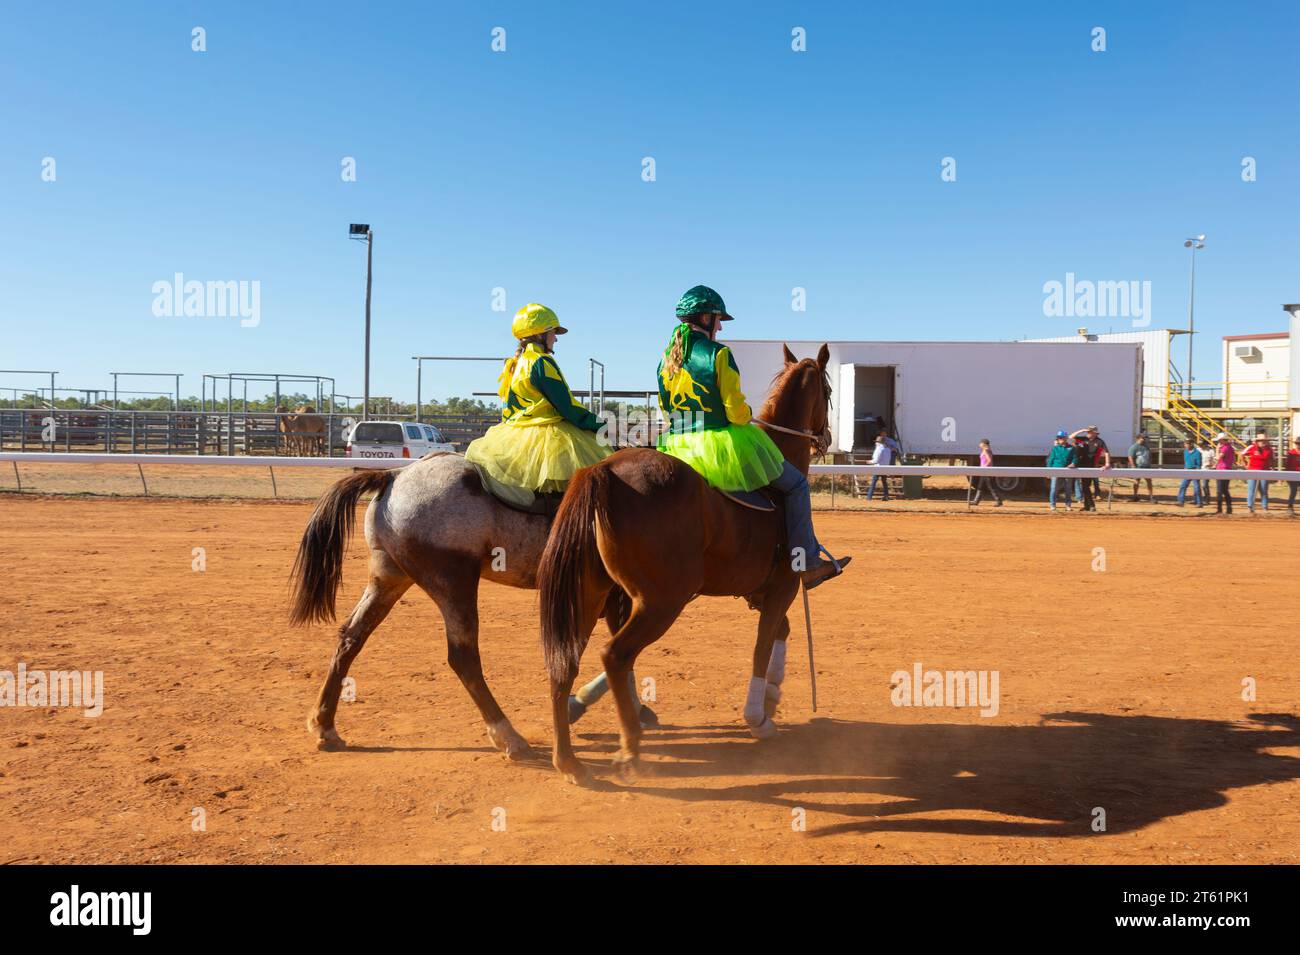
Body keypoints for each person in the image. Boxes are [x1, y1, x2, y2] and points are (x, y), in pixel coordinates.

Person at [656, 285, 850, 589]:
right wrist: (746, 412)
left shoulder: (667, 361)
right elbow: (735, 412)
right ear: (705, 318)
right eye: (718, 319)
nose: (720, 327)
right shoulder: (719, 354)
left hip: (677, 446)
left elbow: (665, 406)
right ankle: (808, 562)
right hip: (718, 444)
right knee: (796, 484)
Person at [464, 303, 610, 499]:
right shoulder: (541, 362)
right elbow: (567, 407)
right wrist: (599, 424)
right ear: (540, 334)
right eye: (553, 332)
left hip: (512, 434)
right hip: (544, 434)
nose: (556, 338)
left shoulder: (514, 364)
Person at [1242, 432, 1275, 512]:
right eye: (1260, 440)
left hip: (1265, 472)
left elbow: (1273, 459)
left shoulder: (1269, 449)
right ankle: (1250, 506)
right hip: (1252, 472)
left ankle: (1264, 507)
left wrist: (1271, 467)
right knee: (1251, 490)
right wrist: (1245, 465)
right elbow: (1242, 454)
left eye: (1264, 440)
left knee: (1264, 490)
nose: (1262, 442)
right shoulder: (1252, 447)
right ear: (1257, 441)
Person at [1046, 430, 1076, 511]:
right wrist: (1048, 471)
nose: (1061, 439)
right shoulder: (1055, 449)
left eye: (1062, 438)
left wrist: (1073, 463)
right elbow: (1050, 460)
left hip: (1068, 470)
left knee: (1068, 488)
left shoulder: (1071, 448)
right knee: (1054, 488)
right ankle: (1052, 505)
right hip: (1056, 470)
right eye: (1059, 438)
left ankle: (1068, 505)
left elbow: (1075, 458)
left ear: (1066, 438)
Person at [970, 438, 1003, 506]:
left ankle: (999, 501)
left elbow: (989, 461)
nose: (979, 444)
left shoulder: (986, 450)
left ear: (984, 444)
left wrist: (984, 468)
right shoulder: (988, 450)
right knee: (980, 486)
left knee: (991, 486)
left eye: (980, 443)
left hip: (986, 471)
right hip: (986, 471)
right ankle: (976, 501)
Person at [1069, 433, 1095, 511]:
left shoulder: (1078, 447)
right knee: (1085, 487)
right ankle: (1087, 506)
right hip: (1087, 468)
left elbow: (1077, 458)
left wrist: (1073, 464)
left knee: (1085, 487)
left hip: (1084, 469)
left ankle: (1091, 506)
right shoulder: (1085, 447)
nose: (1073, 441)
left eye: (1074, 440)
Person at [1127, 433, 1155, 503]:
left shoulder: (1146, 446)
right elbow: (1130, 457)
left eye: (1145, 438)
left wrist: (1150, 463)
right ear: (1138, 438)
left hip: (1147, 467)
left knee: (1149, 481)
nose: (1144, 439)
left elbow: (1149, 455)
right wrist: (1133, 466)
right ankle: (1135, 496)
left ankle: (1151, 497)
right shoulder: (1134, 447)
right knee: (1136, 481)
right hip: (1138, 467)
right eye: (1143, 438)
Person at [865, 432, 894, 500]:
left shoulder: (879, 449)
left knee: (874, 482)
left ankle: (869, 497)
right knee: (884, 482)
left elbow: (876, 460)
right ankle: (886, 496)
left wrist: (869, 462)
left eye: (877, 442)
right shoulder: (888, 449)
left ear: (879, 442)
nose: (876, 443)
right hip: (885, 468)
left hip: (878, 467)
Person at [1213, 432, 1236, 515]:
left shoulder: (1225, 448)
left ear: (1223, 440)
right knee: (1224, 490)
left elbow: (1218, 458)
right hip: (1226, 469)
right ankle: (1229, 508)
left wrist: (1216, 450)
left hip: (1222, 470)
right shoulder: (1229, 447)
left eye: (1219, 440)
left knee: (1220, 491)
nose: (1219, 442)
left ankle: (1220, 509)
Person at [1176, 438, 1203, 507]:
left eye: (1187, 443)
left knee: (1196, 487)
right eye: (1185, 444)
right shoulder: (1185, 452)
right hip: (1187, 470)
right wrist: (1185, 468)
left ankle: (1199, 502)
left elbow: (1199, 464)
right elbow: (1186, 462)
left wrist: (1197, 471)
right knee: (1183, 486)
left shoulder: (1197, 453)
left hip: (1195, 471)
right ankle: (1180, 501)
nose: (1185, 445)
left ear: (1191, 444)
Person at [1199, 438, 1216, 503]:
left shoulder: (1211, 451)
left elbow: (1215, 460)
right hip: (1199, 469)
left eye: (1202, 445)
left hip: (1207, 469)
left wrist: (1212, 465)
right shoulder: (1199, 450)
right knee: (1197, 484)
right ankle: (1198, 498)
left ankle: (1207, 497)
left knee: (1204, 484)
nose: (1200, 446)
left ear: (1205, 445)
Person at [1286, 437, 1300, 513]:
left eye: (1299, 444)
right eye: (1297, 443)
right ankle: (1290, 507)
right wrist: (1287, 476)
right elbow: (1287, 465)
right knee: (1293, 491)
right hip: (1293, 475)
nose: (1298, 445)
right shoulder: (1291, 453)